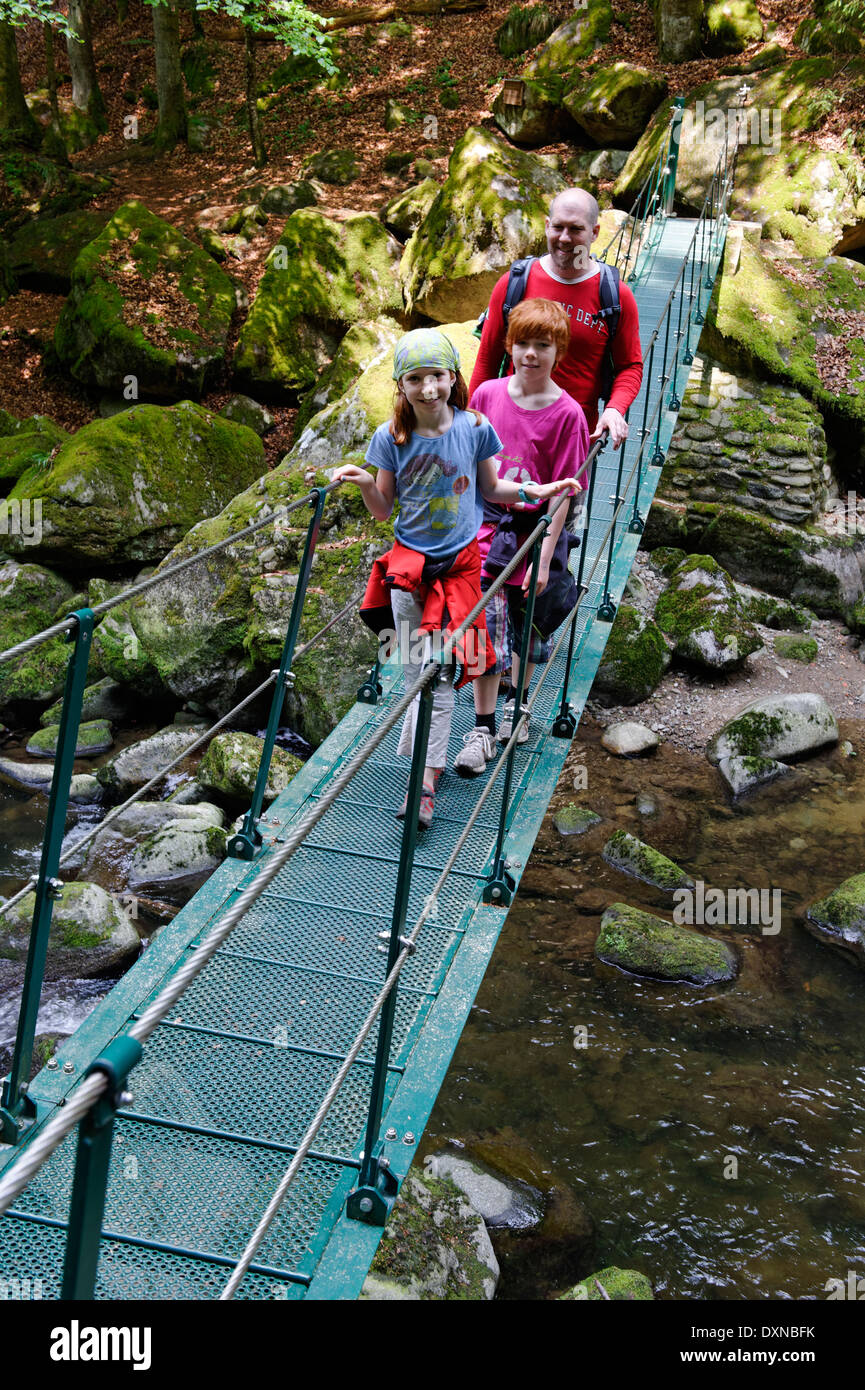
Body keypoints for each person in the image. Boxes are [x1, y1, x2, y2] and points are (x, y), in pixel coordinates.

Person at [332, 327, 578, 828]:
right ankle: (426, 766)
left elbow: (494, 489)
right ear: (401, 385)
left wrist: (542, 489)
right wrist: (362, 482)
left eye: (437, 377)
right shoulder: (390, 438)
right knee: (415, 677)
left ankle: (423, 783)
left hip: (461, 572)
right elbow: (383, 510)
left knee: (439, 678)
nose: (428, 389)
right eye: (415, 379)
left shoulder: (474, 427)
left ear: (453, 378)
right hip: (410, 575)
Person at [454, 299, 590, 776]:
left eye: (543, 345)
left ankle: (519, 701)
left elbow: (564, 495)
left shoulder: (569, 415)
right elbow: (466, 463)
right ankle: (483, 728)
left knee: (528, 625)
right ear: (508, 345)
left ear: (559, 352)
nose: (530, 354)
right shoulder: (487, 396)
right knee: (483, 624)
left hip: (535, 531)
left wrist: (545, 555)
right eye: (523, 343)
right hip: (486, 527)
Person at [468, 187, 643, 450]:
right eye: (558, 227)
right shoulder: (514, 284)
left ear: (594, 232)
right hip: (507, 434)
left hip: (573, 439)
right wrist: (472, 423)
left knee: (564, 494)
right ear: (547, 226)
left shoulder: (615, 295)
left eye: (576, 229)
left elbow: (630, 365)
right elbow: (487, 360)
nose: (564, 238)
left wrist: (615, 408)